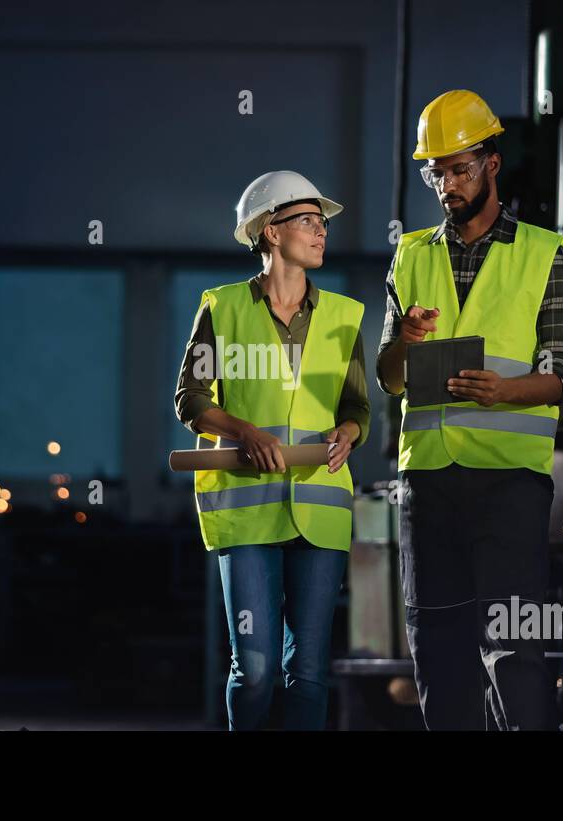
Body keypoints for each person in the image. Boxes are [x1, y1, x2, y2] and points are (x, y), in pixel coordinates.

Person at [376, 90, 563, 730]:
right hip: (428, 485)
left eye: (459, 167)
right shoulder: (411, 254)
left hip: (509, 485)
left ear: (492, 163)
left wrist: (505, 392)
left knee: (513, 652)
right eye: (435, 171)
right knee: (438, 652)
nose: (447, 184)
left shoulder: (544, 253)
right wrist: (401, 344)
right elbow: (387, 378)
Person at [174, 170, 370, 730]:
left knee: (307, 672)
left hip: (320, 509)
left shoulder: (344, 318)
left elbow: (357, 408)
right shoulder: (224, 309)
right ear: (268, 231)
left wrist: (349, 434)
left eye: (322, 222)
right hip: (247, 511)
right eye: (307, 220)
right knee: (255, 669)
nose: (320, 232)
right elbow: (190, 399)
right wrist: (244, 431)